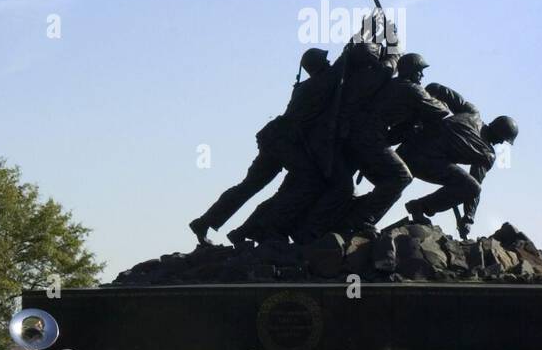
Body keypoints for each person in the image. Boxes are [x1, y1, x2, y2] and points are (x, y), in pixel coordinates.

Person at [190, 47, 337, 246]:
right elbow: (342, 64)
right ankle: (265, 225)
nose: (329, 63)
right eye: (325, 61)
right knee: (310, 178)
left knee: (249, 186)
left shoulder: (306, 86)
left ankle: (205, 222)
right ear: (318, 65)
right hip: (284, 142)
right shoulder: (319, 83)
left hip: (275, 138)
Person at [340, 51, 449, 235]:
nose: (422, 76)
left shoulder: (391, 85)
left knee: (388, 184)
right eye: (420, 71)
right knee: (401, 178)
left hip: (360, 137)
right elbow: (441, 111)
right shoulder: (411, 89)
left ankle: (353, 215)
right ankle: (361, 219)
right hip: (370, 138)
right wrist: (440, 101)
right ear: (412, 71)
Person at [399, 84, 518, 236]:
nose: (501, 143)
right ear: (500, 135)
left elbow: (435, 88)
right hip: (422, 161)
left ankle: (419, 207)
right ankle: (420, 207)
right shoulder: (487, 154)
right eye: (503, 139)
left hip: (408, 149)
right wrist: (469, 218)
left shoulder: (472, 112)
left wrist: (421, 116)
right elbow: (473, 188)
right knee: (471, 187)